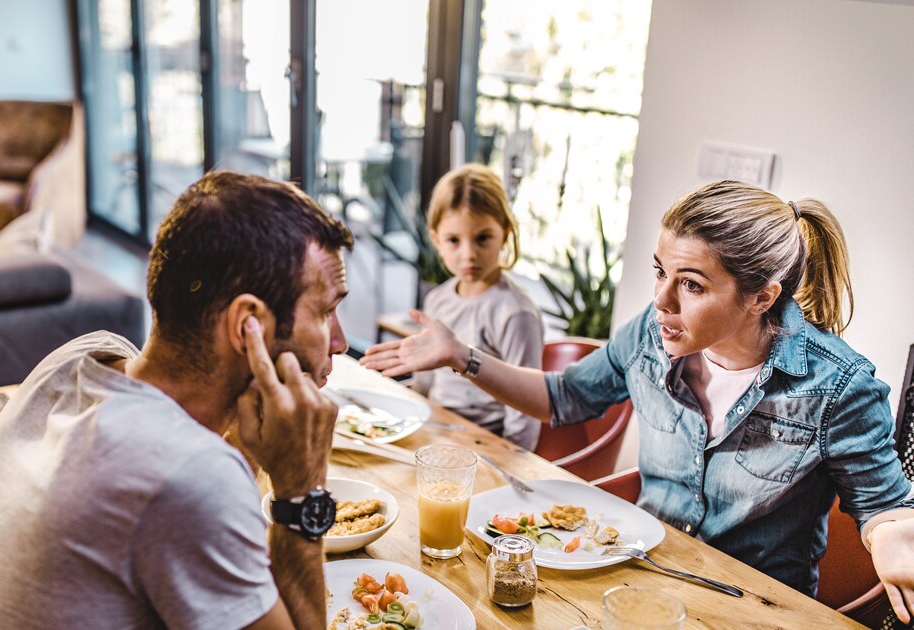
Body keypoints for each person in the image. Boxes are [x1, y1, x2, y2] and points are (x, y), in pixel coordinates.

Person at [362, 179, 914, 618]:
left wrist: (892, 539)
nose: (661, 301)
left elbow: (884, 506)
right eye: (659, 272)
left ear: (762, 297)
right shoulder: (651, 335)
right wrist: (462, 354)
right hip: (637, 583)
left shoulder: (839, 386)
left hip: (751, 609)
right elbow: (563, 397)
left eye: (692, 285)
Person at [0, 171, 353, 629]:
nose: (339, 342)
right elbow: (187, 486)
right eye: (326, 312)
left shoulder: (83, 358)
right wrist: (302, 493)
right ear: (249, 326)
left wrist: (254, 444)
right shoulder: (187, 476)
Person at [412, 163, 543, 449]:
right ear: (436, 240)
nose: (468, 254)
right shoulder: (437, 299)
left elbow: (524, 406)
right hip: (436, 430)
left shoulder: (515, 313)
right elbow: (424, 380)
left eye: (483, 238)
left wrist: (514, 463)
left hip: (487, 443)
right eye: (453, 241)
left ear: (505, 233)